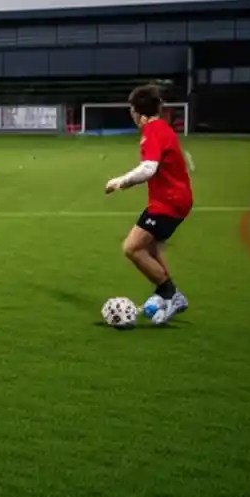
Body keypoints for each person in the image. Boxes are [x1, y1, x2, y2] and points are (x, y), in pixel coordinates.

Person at [104, 85, 192, 325]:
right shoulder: (161, 128)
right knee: (153, 248)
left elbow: (148, 168)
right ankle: (167, 295)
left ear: (137, 112)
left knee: (132, 248)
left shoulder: (152, 129)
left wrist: (120, 181)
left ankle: (170, 294)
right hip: (173, 200)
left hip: (169, 202)